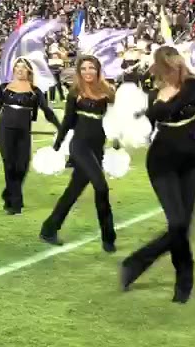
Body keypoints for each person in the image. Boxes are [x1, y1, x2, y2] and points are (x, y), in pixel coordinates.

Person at [120, 46, 195, 303]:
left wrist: (153, 110)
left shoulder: (193, 86)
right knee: (177, 223)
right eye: (165, 67)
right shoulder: (153, 94)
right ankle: (181, 280)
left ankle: (139, 264)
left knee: (182, 227)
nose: (171, 71)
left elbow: (171, 108)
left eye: (174, 66)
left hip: (190, 162)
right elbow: (147, 124)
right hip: (161, 161)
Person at [40, 55, 117, 252]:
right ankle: (108, 237)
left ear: (98, 70)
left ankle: (49, 229)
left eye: (91, 68)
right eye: (83, 68)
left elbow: (116, 119)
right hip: (80, 146)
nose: (87, 72)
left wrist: (117, 141)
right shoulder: (75, 92)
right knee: (101, 187)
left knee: (73, 191)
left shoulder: (108, 91)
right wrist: (56, 147)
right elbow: (67, 121)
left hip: (98, 147)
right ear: (78, 72)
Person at [0, 58, 61, 215]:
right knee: (9, 165)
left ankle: (8, 194)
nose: (19, 70)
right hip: (5, 131)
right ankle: (15, 204)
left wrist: (61, 127)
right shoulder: (4, 88)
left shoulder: (35, 91)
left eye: (23, 67)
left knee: (22, 166)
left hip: (23, 132)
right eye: (17, 67)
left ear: (29, 71)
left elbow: (47, 111)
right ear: (13, 70)